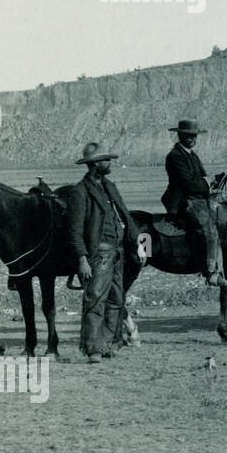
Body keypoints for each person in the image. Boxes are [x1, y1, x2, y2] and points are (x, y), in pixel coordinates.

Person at [66, 142, 143, 363]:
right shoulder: (80, 192)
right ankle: (93, 349)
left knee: (116, 299)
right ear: (94, 164)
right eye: (105, 160)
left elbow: (126, 217)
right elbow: (75, 230)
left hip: (118, 251)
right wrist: (82, 259)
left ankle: (110, 343)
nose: (109, 163)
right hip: (98, 254)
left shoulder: (110, 187)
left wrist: (139, 244)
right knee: (95, 300)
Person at [160, 119, 227, 286]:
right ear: (180, 135)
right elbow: (189, 184)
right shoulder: (175, 156)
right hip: (183, 201)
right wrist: (206, 182)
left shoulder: (192, 155)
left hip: (197, 198)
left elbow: (203, 179)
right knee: (210, 230)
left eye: (194, 136)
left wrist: (212, 182)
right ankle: (211, 272)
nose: (192, 138)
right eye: (188, 135)